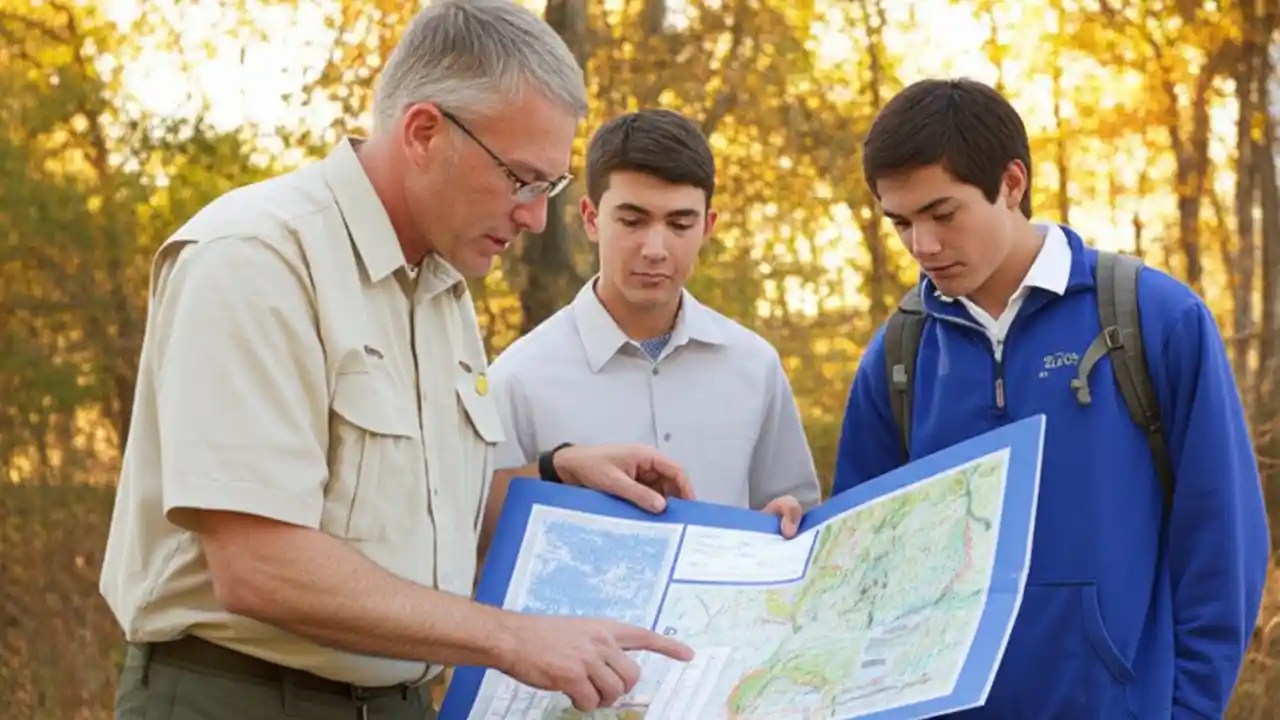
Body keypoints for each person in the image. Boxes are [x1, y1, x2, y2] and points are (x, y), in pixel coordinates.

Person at [98, 2, 699, 718]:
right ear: (423, 132)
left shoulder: (441, 288)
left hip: (396, 700)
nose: (536, 216)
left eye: (551, 188)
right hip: (245, 697)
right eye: (523, 180)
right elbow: (259, 566)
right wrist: (509, 638)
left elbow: (417, 519)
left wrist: (552, 475)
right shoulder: (257, 260)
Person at [833, 77, 1269, 719]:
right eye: (901, 223)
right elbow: (863, 571)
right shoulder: (898, 356)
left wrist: (1189, 712)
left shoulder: (1155, 319)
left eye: (942, 214)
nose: (921, 247)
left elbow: (1222, 545)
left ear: (1012, 183)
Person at [484, 108, 822, 542]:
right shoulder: (518, 379)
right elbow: (474, 535)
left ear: (708, 226)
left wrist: (785, 524)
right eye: (632, 221)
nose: (656, 249)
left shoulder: (755, 366)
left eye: (680, 224)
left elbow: (798, 517)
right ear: (590, 219)